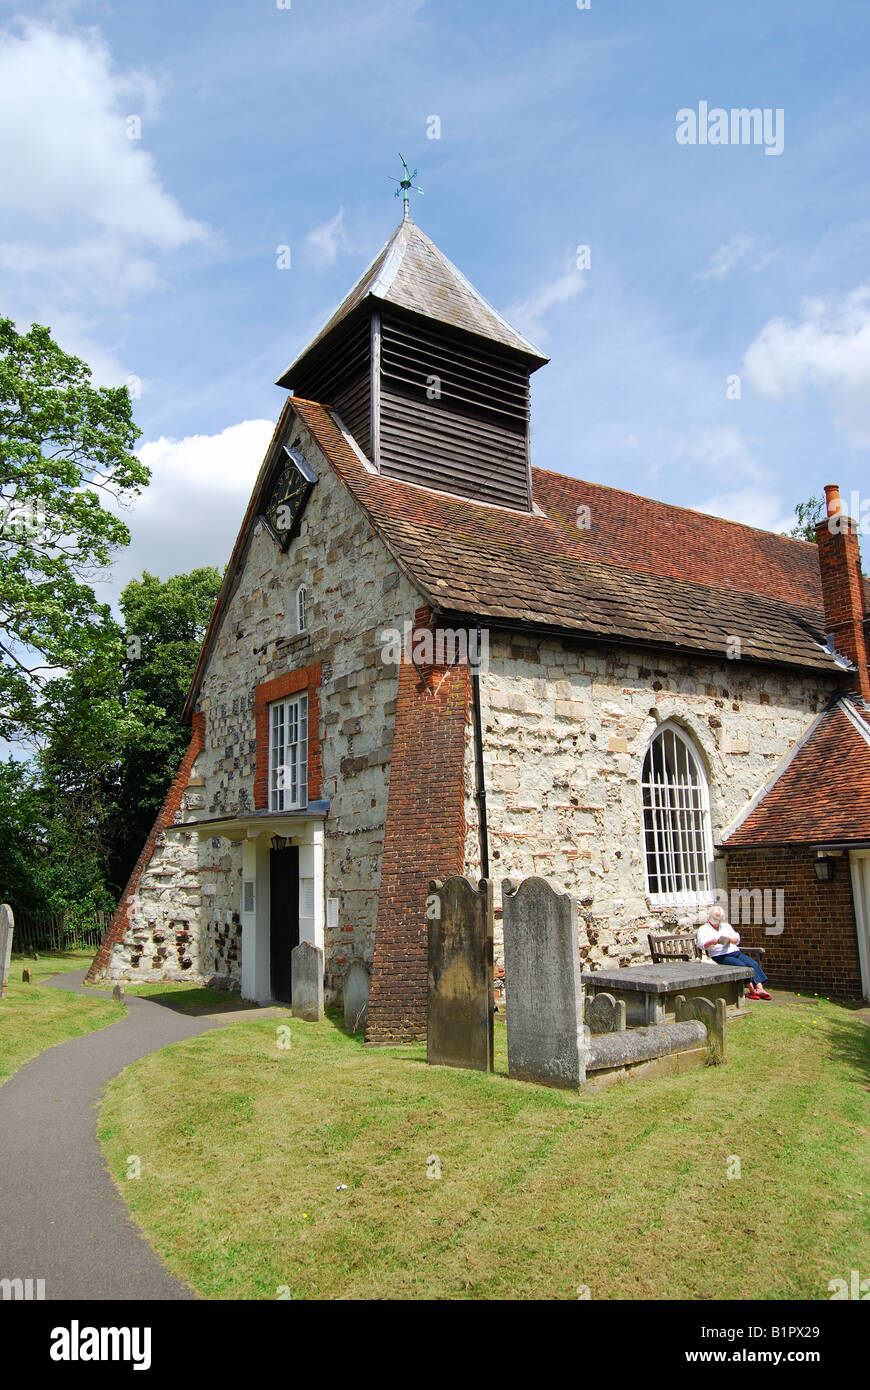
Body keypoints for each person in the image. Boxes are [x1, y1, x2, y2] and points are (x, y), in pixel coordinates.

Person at [697, 906, 771, 1000]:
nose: (718, 923)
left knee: (752, 963)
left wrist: (733, 940)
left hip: (734, 951)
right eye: (716, 920)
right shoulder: (703, 929)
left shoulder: (726, 926)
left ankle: (760, 988)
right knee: (741, 965)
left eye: (720, 920)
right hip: (720, 955)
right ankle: (751, 990)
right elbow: (701, 944)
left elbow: (737, 938)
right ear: (710, 918)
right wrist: (711, 942)